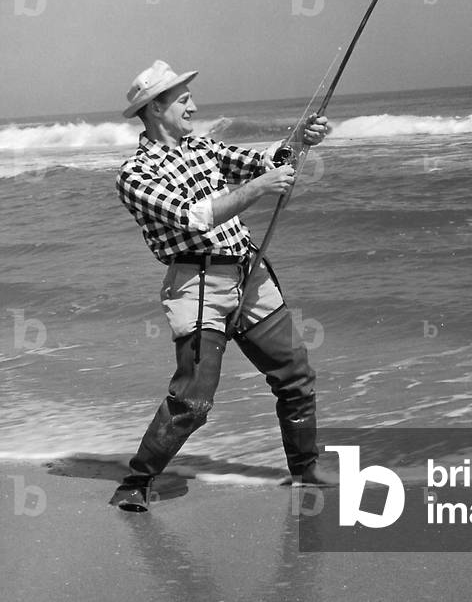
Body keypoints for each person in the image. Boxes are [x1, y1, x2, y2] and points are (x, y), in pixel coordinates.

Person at [109, 59, 332, 512]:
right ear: (154, 109)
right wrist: (261, 187)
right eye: (182, 98)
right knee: (193, 401)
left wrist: (299, 140)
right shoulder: (135, 176)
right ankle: (137, 481)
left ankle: (304, 471)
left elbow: (262, 161)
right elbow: (196, 217)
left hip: (249, 275)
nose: (193, 104)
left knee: (295, 376)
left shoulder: (204, 148)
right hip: (197, 285)